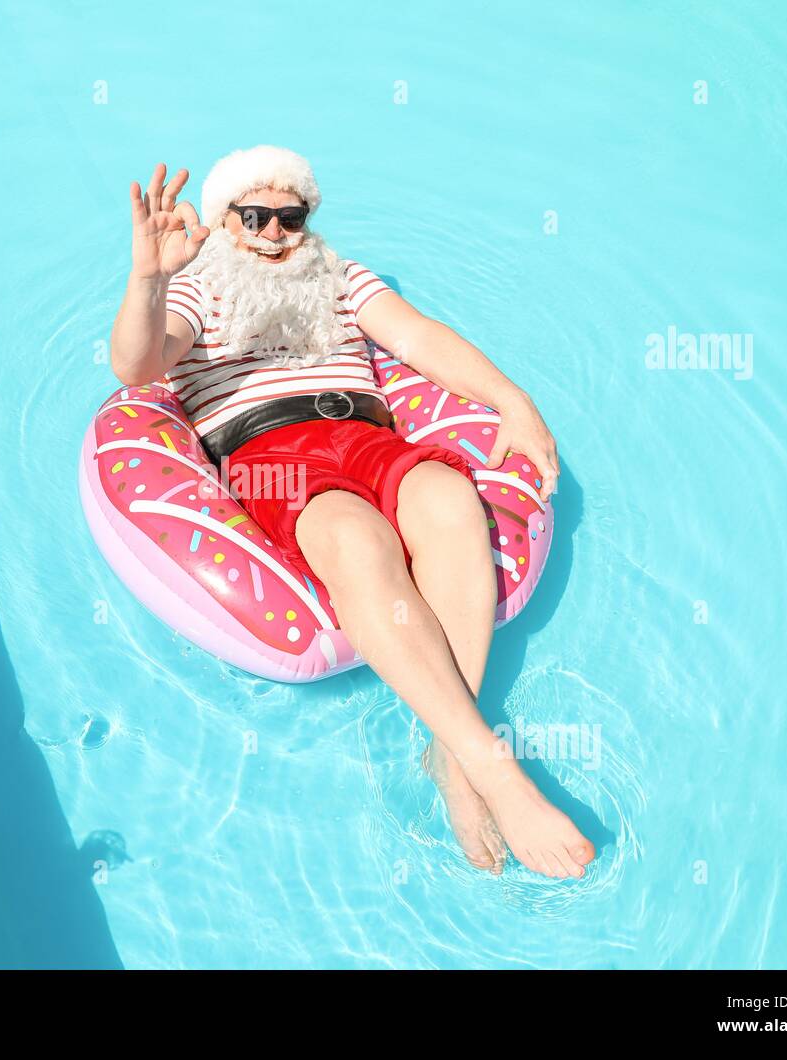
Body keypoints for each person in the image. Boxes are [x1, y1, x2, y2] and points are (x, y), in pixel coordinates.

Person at [109, 146, 594, 879]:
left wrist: (513, 401)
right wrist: (149, 278)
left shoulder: (336, 276)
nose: (274, 232)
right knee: (352, 535)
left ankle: (450, 754)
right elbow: (138, 366)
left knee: (449, 499)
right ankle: (491, 767)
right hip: (268, 450)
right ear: (224, 222)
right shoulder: (196, 285)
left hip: (365, 434)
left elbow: (419, 337)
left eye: (290, 216)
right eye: (254, 215)